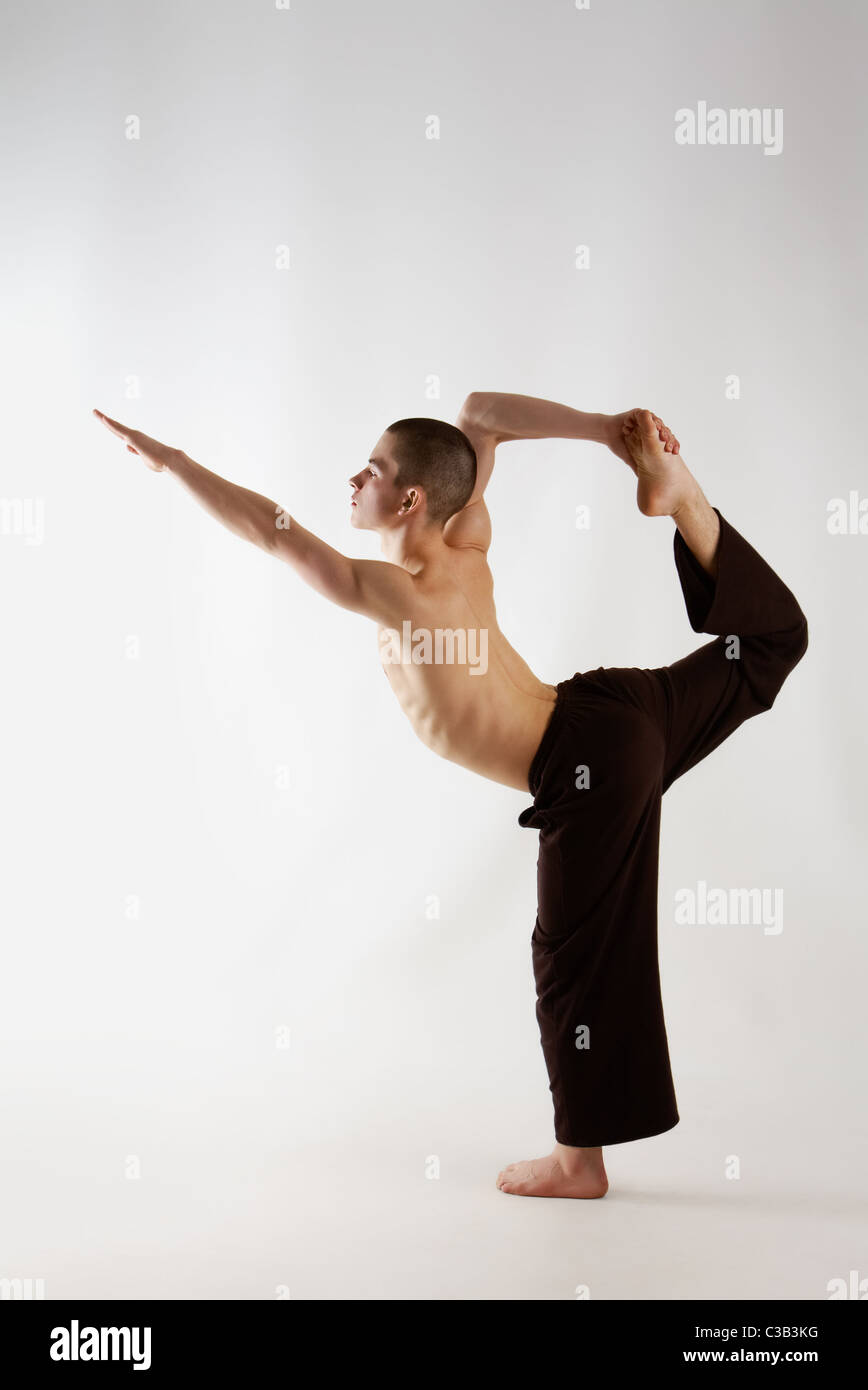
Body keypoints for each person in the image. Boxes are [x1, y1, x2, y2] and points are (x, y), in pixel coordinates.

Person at [93, 395, 808, 1199]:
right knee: (773, 639)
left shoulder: (401, 594)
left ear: (410, 501)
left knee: (572, 959)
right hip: (609, 711)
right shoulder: (467, 539)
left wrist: (175, 463)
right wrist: (607, 431)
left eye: (372, 471)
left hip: (586, 764)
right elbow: (480, 414)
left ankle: (579, 1165)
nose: (354, 480)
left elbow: (274, 531)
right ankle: (684, 501)